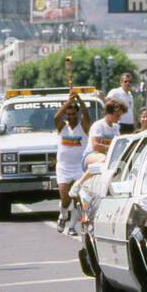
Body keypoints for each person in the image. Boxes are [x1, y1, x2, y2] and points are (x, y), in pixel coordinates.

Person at [54, 93, 91, 234]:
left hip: (78, 167)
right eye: (68, 114)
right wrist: (68, 102)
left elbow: (87, 116)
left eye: (74, 114)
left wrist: (79, 100)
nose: (71, 116)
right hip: (63, 167)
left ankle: (72, 226)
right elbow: (56, 117)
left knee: (77, 198)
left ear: (77, 114)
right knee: (65, 198)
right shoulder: (62, 126)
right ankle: (63, 215)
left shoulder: (83, 126)